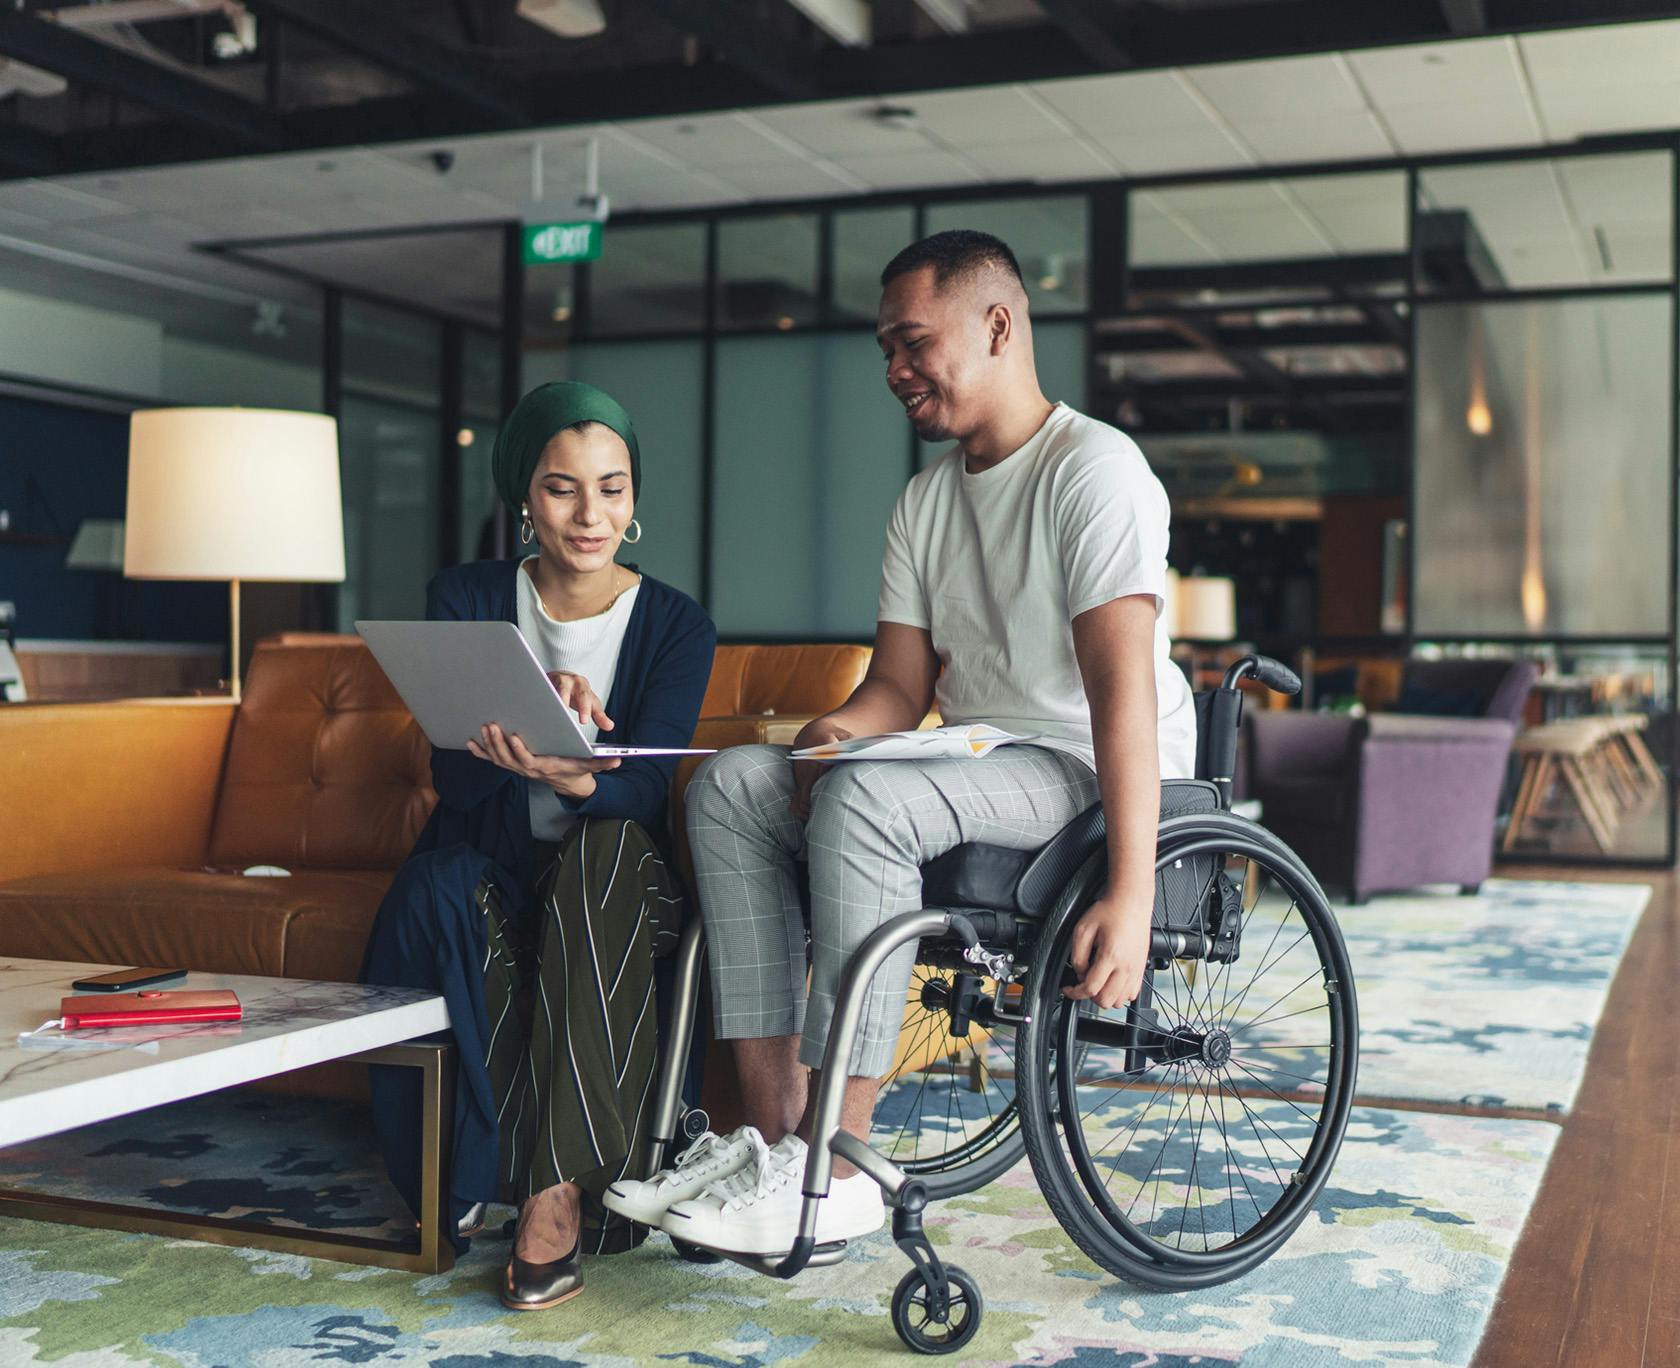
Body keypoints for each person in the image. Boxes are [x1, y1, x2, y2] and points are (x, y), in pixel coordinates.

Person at [610, 230, 1195, 1255]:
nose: (894, 371)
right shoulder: (925, 501)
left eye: (912, 343)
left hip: (1084, 766)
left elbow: (1121, 695)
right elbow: (898, 688)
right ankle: (767, 1142)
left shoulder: (1093, 471)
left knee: (870, 802)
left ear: (998, 325)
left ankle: (837, 1166)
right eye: (887, 348)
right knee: (737, 784)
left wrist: (1133, 893)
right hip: (975, 756)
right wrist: (833, 735)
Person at [360, 381, 716, 1310]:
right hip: (503, 871)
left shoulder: (676, 624)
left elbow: (648, 792)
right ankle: (478, 1172)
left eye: (613, 487)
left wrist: (577, 769)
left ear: (635, 498)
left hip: (619, 879)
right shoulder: (470, 596)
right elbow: (461, 783)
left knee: (595, 860)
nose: (590, 515)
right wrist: (526, 722)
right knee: (437, 884)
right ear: (524, 495)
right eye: (562, 489)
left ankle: (552, 1194)